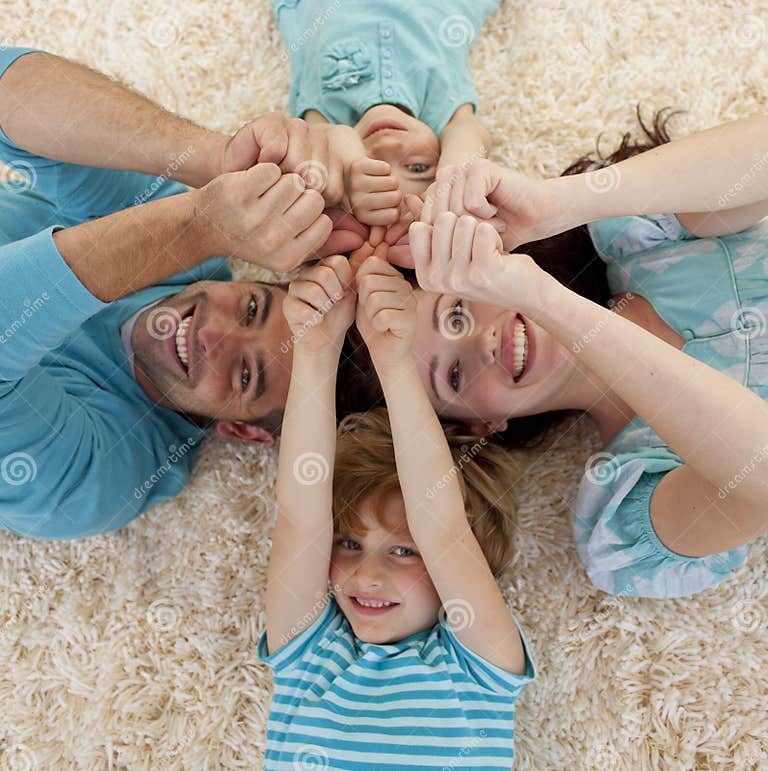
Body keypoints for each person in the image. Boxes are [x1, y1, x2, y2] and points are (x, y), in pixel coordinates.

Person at [343, 109, 768, 599]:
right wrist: (538, 298)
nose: (480, 343)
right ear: (483, 425)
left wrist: (555, 204)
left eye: (456, 313)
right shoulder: (625, 503)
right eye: (454, 376)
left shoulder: (637, 243)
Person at [0, 46, 368, 540]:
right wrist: (220, 162)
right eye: (251, 308)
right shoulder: (197, 258)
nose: (213, 332)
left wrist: (199, 225)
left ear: (243, 430)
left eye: (243, 374)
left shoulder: (100, 481)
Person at [258, 252, 535, 768]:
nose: (367, 573)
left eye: (405, 550)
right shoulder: (306, 654)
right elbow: (301, 517)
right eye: (349, 543)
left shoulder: (480, 667)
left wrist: (395, 360)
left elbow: (443, 524)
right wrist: (316, 352)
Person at [271, 0, 498, 227]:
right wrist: (453, 184)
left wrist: (350, 170)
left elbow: (325, 139)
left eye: (371, 161)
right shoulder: (442, 112)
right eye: (417, 167)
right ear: (440, 153)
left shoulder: (330, 117)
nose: (386, 144)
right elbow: (468, 134)